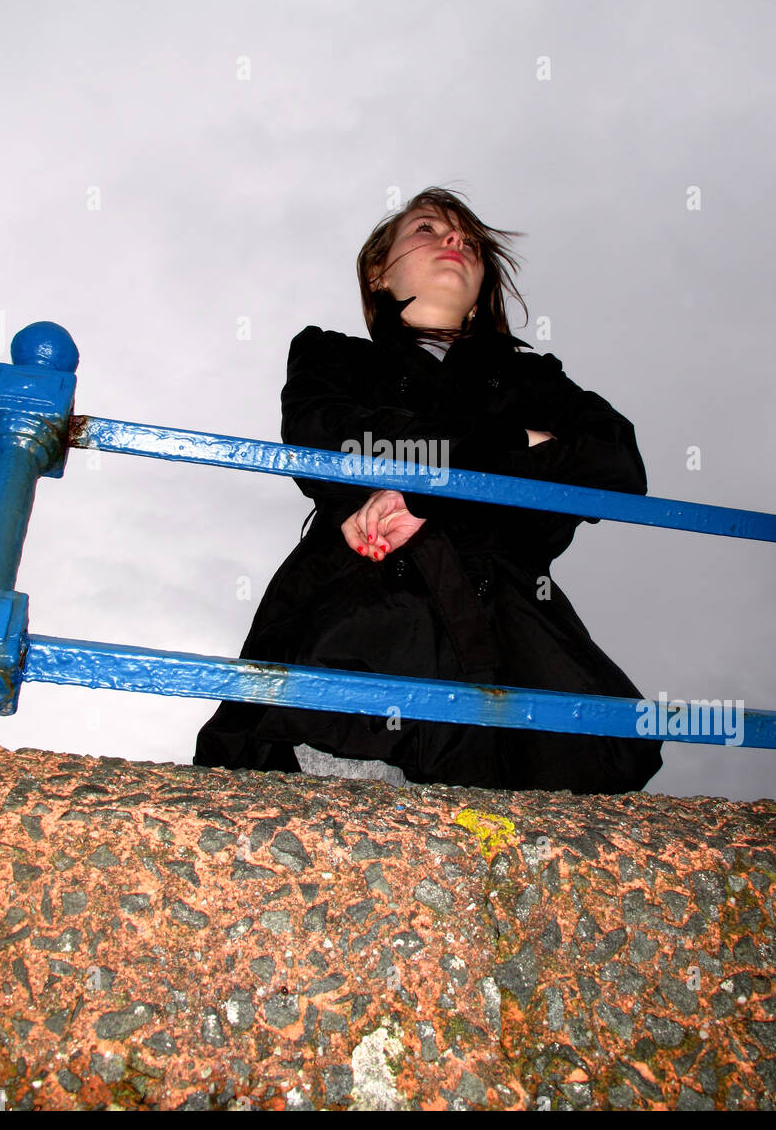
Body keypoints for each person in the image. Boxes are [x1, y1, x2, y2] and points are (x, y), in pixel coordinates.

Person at [194, 187, 662, 793]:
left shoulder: (538, 379)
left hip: (520, 637)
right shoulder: (332, 355)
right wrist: (520, 446)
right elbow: (335, 439)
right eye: (427, 229)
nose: (454, 241)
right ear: (377, 272)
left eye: (468, 238)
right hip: (361, 617)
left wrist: (424, 490)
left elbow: (615, 466)